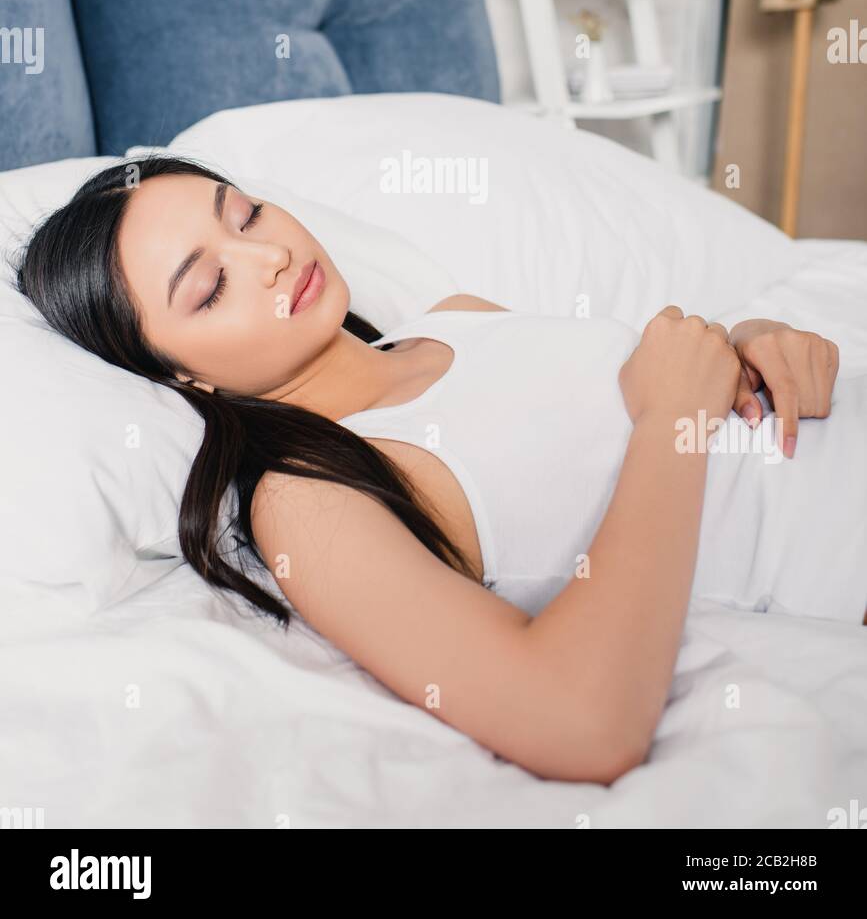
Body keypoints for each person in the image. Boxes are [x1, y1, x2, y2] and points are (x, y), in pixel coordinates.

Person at [14, 154, 863, 786]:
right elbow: (579, 723)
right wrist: (671, 422)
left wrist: (752, 341)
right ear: (180, 379)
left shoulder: (455, 320)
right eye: (209, 288)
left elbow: (672, 374)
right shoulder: (308, 498)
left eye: (246, 215)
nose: (268, 256)